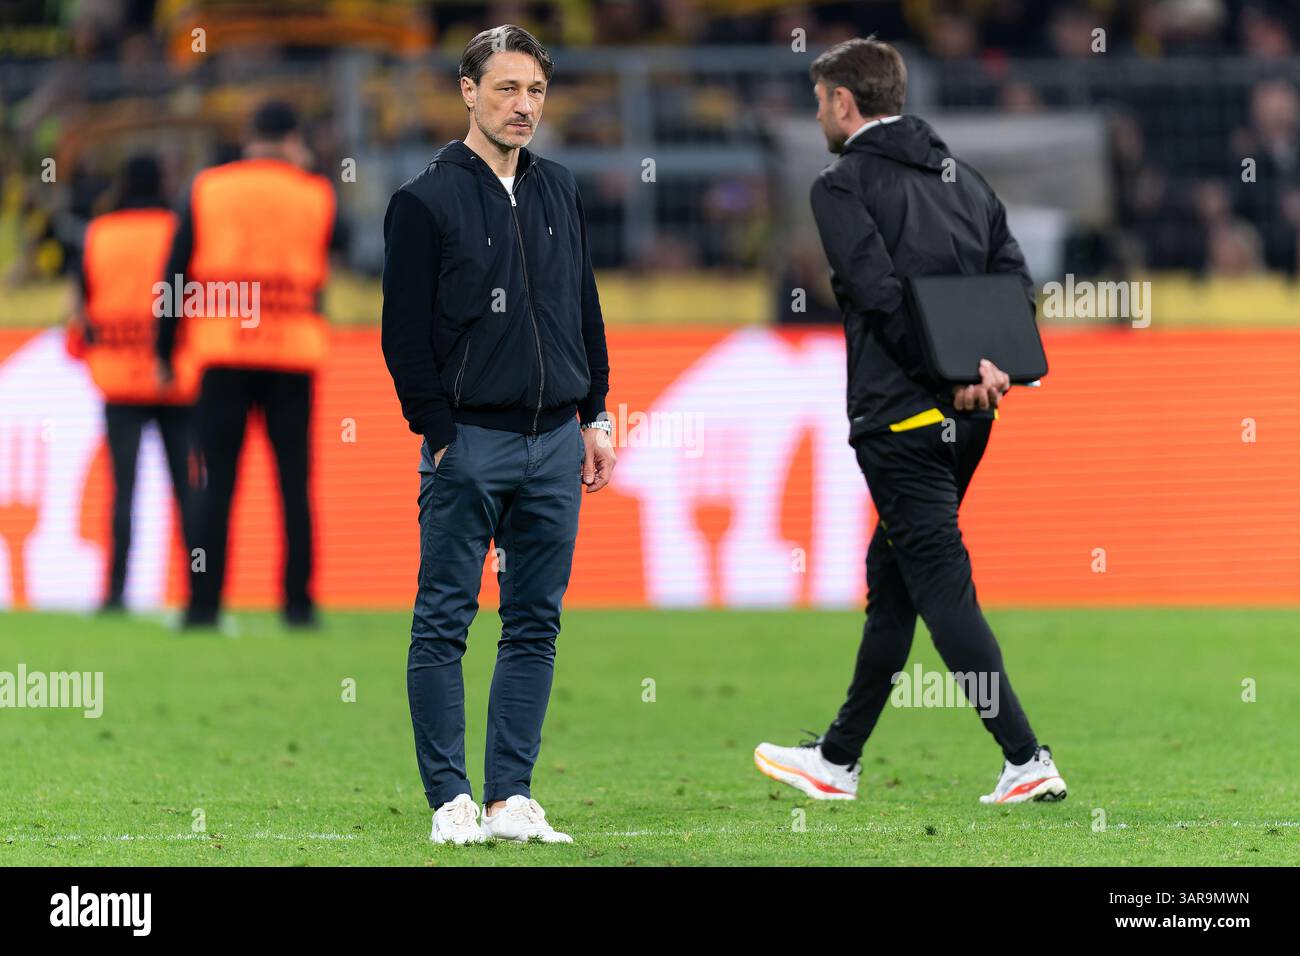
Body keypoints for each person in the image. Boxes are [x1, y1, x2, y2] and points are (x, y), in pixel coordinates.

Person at [753, 36, 1067, 806]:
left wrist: (949, 372)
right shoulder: (963, 178)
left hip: (901, 418)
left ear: (845, 103)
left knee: (941, 589)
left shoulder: (841, 186)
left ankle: (1026, 756)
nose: (818, 111)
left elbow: (879, 295)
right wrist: (991, 366)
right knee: (894, 585)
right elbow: (1016, 281)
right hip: (974, 416)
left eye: (821, 98)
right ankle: (838, 758)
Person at [381, 24, 614, 845]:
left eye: (537, 91)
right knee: (444, 621)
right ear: (468, 91)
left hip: (556, 441)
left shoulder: (560, 191)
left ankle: (511, 798)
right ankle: (450, 801)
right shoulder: (423, 200)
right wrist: (439, 434)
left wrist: (598, 415)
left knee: (534, 624)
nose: (524, 106)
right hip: (469, 442)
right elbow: (402, 338)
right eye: (507, 89)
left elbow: (582, 310)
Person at [155, 100, 340, 629]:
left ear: (250, 136)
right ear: (292, 141)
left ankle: (203, 607)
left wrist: (164, 352)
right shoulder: (316, 193)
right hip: (292, 353)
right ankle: (299, 606)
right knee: (294, 484)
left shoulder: (209, 187)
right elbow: (337, 253)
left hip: (223, 351)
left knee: (215, 484)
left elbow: (175, 273)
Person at [70, 154, 198, 611]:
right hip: (173, 377)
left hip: (117, 377)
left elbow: (82, 302)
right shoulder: (177, 228)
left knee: (123, 491)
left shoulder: (99, 232)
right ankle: (199, 593)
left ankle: (115, 592)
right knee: (187, 491)